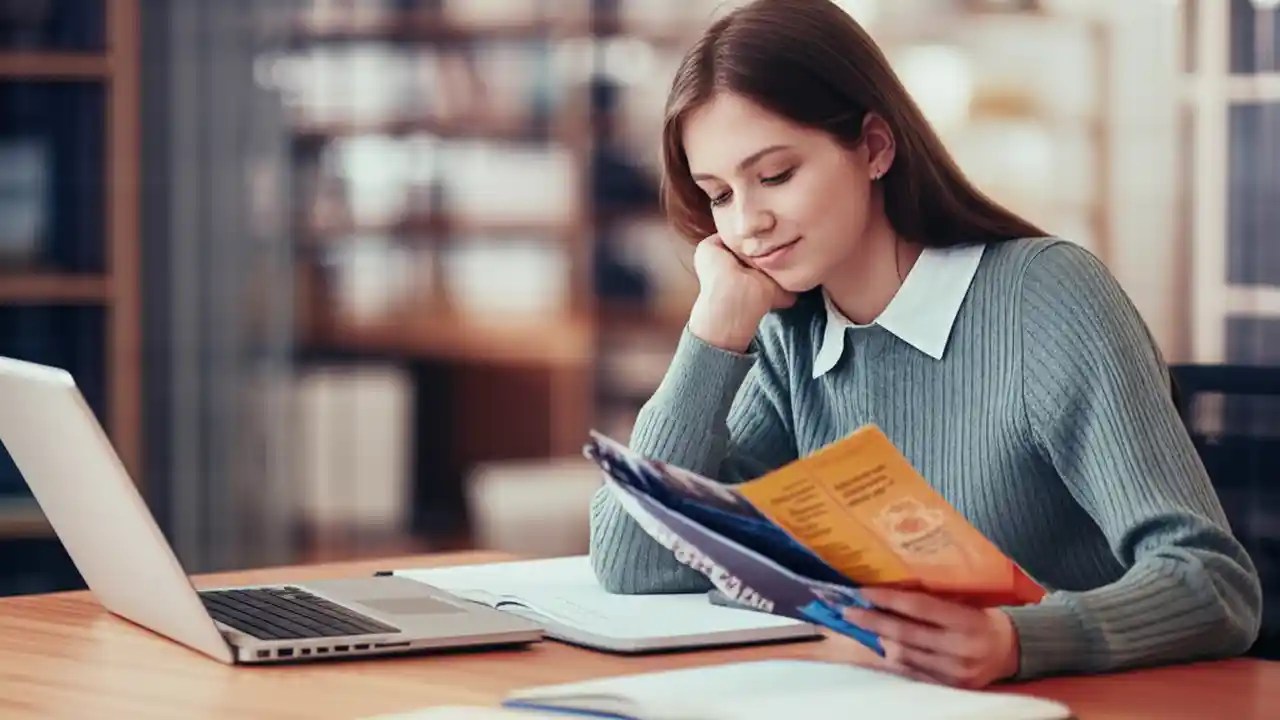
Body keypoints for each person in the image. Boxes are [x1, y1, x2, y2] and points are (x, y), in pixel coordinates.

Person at [587, 0, 1261, 689]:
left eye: (776, 175)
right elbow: (636, 562)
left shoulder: (1046, 299)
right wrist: (713, 332)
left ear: (876, 147)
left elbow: (1212, 582)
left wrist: (1020, 640)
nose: (747, 222)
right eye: (719, 194)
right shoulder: (791, 333)